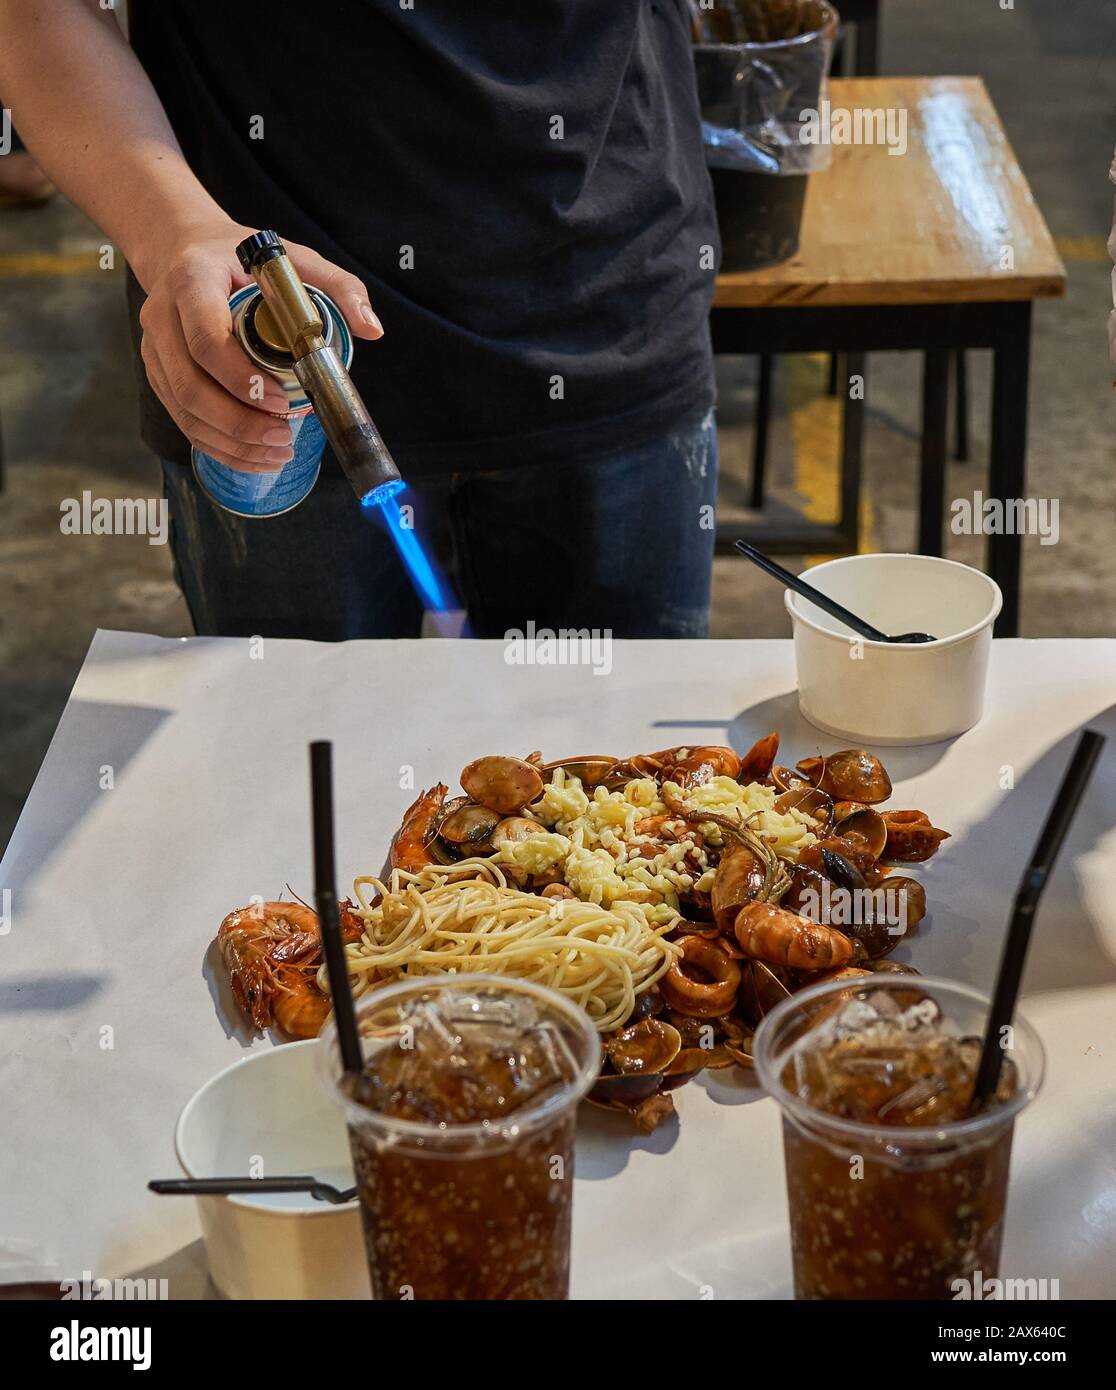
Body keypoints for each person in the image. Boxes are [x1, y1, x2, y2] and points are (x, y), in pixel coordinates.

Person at [0, 1, 719, 639]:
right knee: (295, 776)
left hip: (610, 316)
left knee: (629, 782)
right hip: (259, 351)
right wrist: (173, 232)